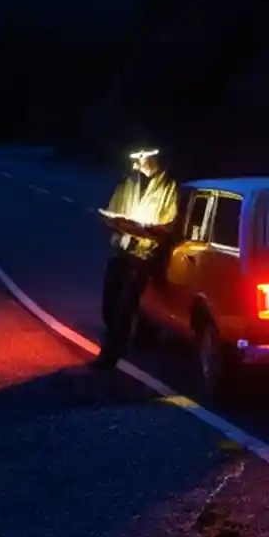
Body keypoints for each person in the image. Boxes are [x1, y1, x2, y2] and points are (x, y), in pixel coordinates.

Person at [90, 148, 179, 371]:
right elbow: (113, 210)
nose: (139, 163)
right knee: (109, 303)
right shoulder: (129, 181)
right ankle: (121, 341)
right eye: (137, 159)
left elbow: (167, 226)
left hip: (143, 255)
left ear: (154, 158)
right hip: (121, 249)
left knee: (124, 306)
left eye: (143, 158)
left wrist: (145, 230)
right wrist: (114, 221)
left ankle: (109, 356)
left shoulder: (169, 186)